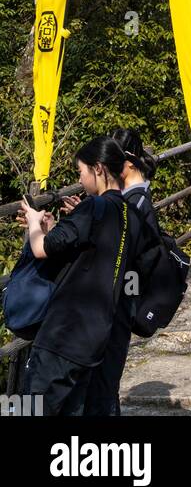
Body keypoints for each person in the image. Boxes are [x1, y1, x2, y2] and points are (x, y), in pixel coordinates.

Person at [18, 136, 144, 416]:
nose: (81, 178)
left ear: (98, 169)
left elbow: (41, 249)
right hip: (97, 337)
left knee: (26, 409)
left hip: (63, 334)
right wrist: (55, 227)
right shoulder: (130, 214)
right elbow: (91, 252)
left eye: (81, 172)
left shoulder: (93, 207)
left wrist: (34, 223)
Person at [82, 128, 161, 416]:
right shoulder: (134, 198)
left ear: (127, 163)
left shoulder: (135, 203)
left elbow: (122, 252)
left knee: (103, 381)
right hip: (119, 299)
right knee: (104, 381)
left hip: (118, 303)